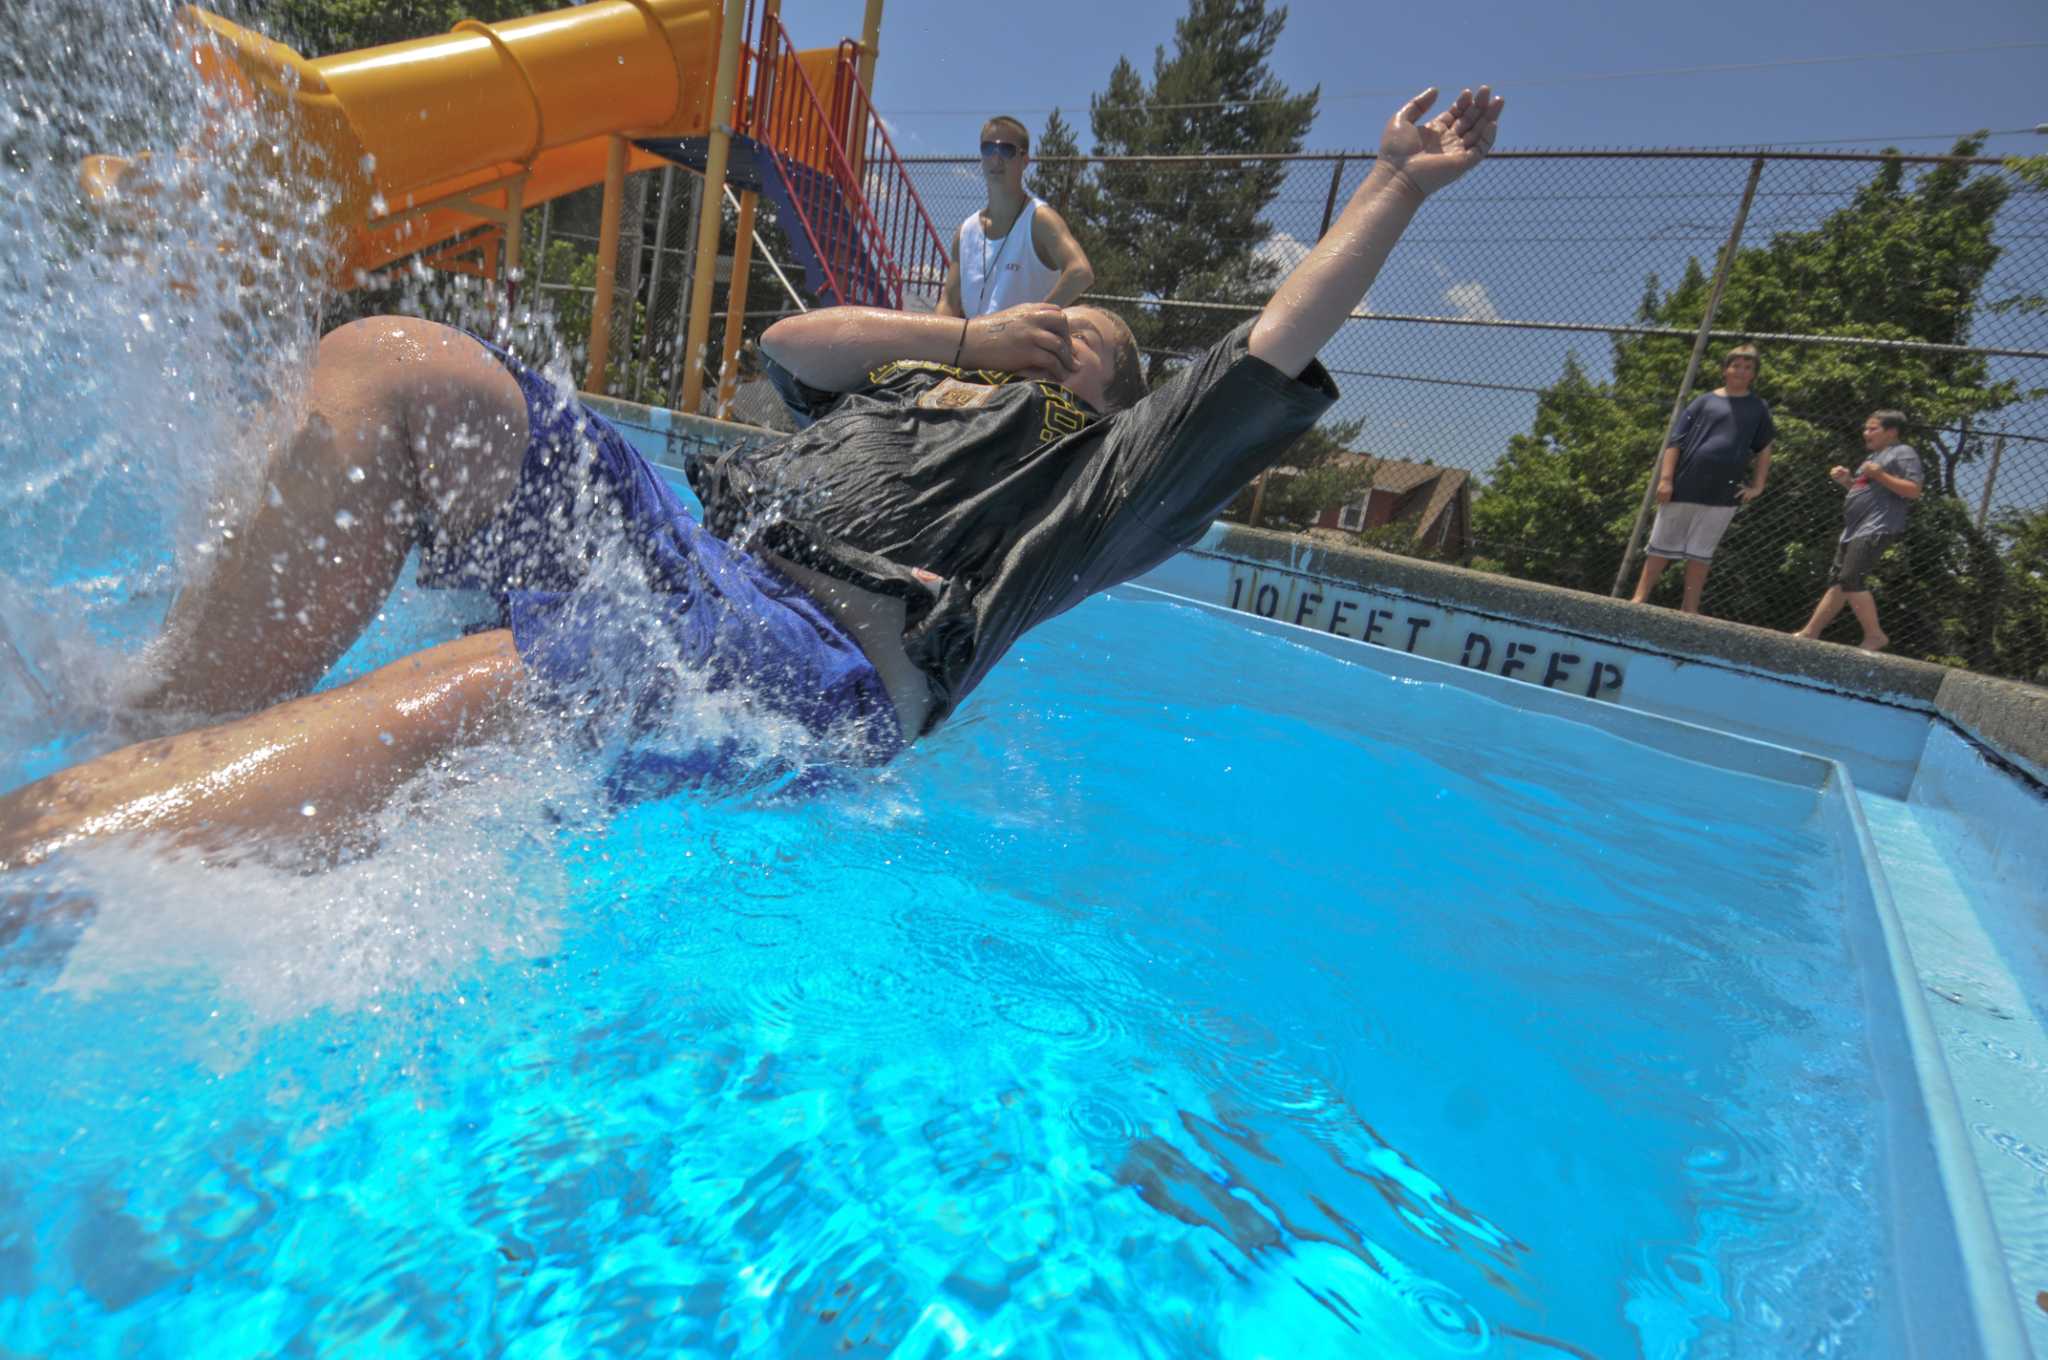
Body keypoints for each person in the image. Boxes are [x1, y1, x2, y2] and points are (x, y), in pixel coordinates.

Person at [0, 83, 1504, 871]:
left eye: (1090, 346)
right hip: (683, 539)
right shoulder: (925, 369)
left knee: (500, 680)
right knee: (403, 365)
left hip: (810, 653)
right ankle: (169, 712)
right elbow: (795, 337)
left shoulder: (1074, 500)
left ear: (1117, 406)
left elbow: (1258, 352)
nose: (1065, 344)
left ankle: (58, 856)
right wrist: (977, 329)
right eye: (1054, 327)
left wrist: (1389, 188)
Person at [1628, 344, 1775, 614]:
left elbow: (1764, 448)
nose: (1741, 371)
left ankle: (1690, 609)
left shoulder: (1758, 408)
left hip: (1723, 493)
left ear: (1754, 374)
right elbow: (1675, 441)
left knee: (1700, 553)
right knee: (1660, 545)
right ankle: (1639, 598)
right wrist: (1666, 480)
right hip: (1685, 485)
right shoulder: (1703, 401)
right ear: (1724, 369)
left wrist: (1758, 485)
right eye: (1736, 365)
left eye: (1748, 367)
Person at [935, 116, 1095, 319]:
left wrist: (1034, 321)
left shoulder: (1040, 220)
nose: (996, 158)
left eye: (1006, 150)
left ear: (1024, 160)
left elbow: (1080, 272)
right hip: (975, 347)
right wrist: (935, 346)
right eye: (988, 149)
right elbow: (949, 302)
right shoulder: (965, 233)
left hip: (1026, 350)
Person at [1794, 409, 1922, 651]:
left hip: (1878, 525)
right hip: (1855, 528)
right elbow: (1869, 491)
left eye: (1872, 428)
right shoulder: (1874, 458)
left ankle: (1875, 635)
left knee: (1850, 578)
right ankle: (1810, 632)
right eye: (1866, 428)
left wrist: (1880, 474)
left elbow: (1913, 490)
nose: (1866, 433)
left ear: (1892, 432)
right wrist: (1847, 482)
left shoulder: (1902, 453)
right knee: (1838, 582)